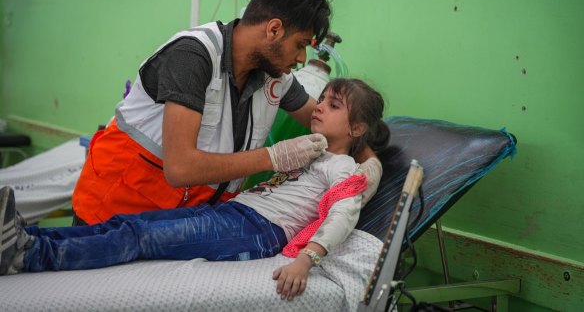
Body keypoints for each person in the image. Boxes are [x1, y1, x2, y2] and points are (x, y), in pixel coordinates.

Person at [0, 78, 388, 301]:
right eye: (320, 99)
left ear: (357, 129)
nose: (318, 107)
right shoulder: (310, 153)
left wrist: (307, 260)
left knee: (138, 236)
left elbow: (343, 213)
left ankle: (30, 254)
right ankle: (24, 239)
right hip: (237, 214)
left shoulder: (344, 168)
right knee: (131, 225)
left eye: (333, 105)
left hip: (255, 230)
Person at [72, 0, 336, 225]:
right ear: (274, 30)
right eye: (300, 45)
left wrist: (371, 156)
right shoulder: (192, 56)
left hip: (176, 225)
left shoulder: (276, 77)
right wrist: (275, 157)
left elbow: (326, 123)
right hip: (112, 213)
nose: (302, 59)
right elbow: (180, 168)